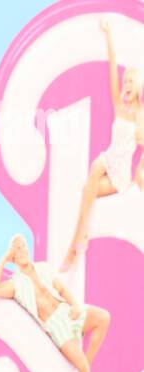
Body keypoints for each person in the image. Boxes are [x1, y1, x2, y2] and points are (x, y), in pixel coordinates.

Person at [0, 233, 112, 372]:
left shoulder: (43, 268)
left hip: (67, 311)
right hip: (56, 325)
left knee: (103, 318)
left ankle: (86, 370)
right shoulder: (16, 283)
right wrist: (4, 258)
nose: (23, 250)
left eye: (24, 246)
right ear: (13, 256)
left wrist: (75, 306)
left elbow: (62, 289)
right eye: (17, 248)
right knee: (80, 366)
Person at [60, 18, 144, 272]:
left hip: (121, 174)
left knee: (88, 189)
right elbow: (111, 69)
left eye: (131, 82)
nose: (126, 85)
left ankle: (76, 246)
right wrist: (109, 35)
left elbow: (140, 163)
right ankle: (77, 244)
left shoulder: (141, 117)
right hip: (106, 160)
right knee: (95, 168)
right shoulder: (119, 106)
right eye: (126, 81)